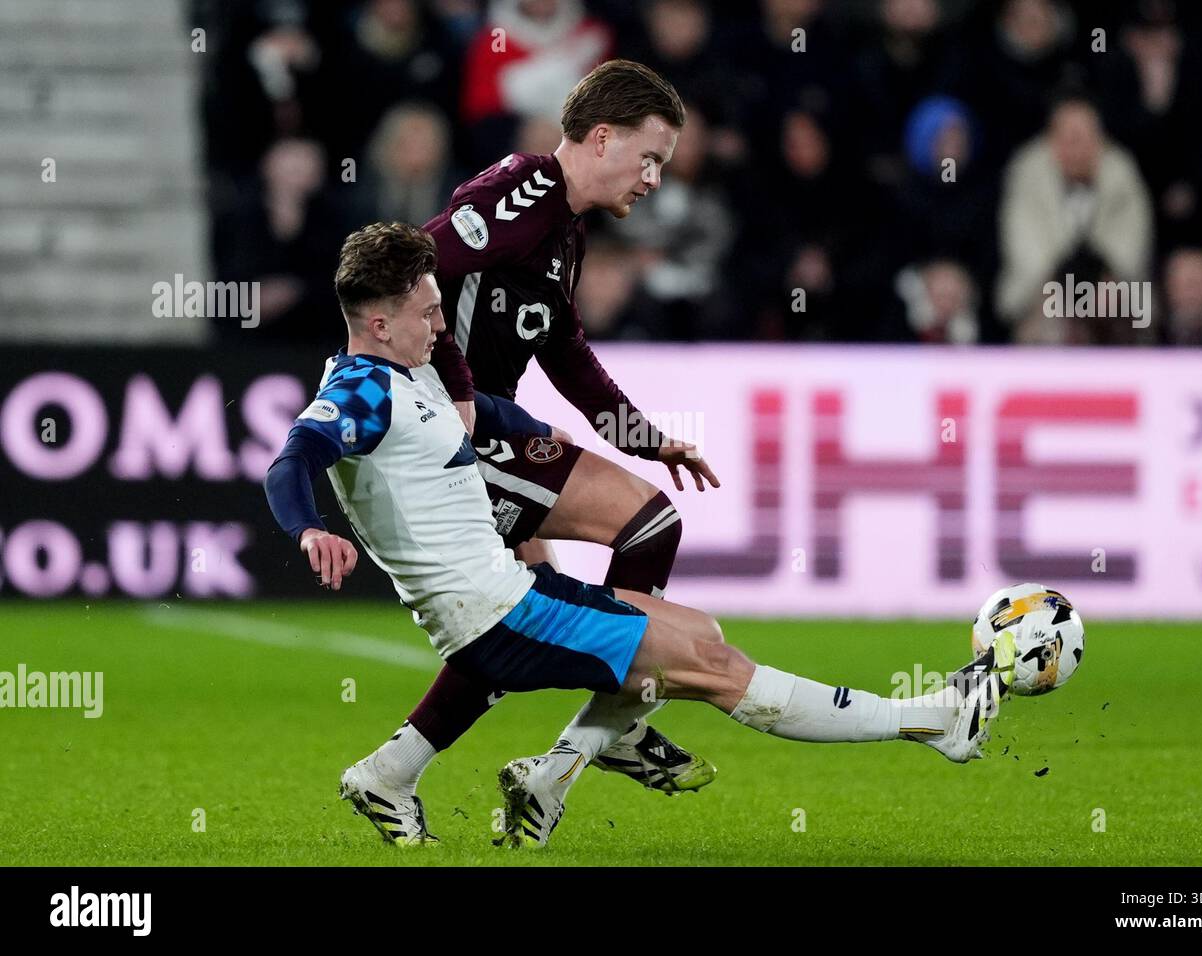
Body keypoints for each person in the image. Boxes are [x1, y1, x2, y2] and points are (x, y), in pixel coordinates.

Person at [263, 223, 1009, 847]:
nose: (440, 324)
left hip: (511, 598)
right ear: (380, 322)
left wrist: (552, 433)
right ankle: (930, 719)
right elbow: (291, 460)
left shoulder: (413, 373)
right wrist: (308, 530)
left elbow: (487, 414)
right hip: (497, 614)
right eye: (427, 313)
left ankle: (429, 775)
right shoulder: (357, 389)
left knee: (693, 632)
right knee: (713, 665)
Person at [396, 59, 722, 809]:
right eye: (650, 158)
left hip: (486, 426)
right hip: (465, 434)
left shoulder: (563, 228)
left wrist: (644, 438)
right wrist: (448, 391)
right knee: (648, 524)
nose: (654, 179)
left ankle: (391, 775)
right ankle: (619, 706)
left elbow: (566, 354)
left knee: (519, 619)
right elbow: (414, 265)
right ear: (601, 137)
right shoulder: (520, 196)